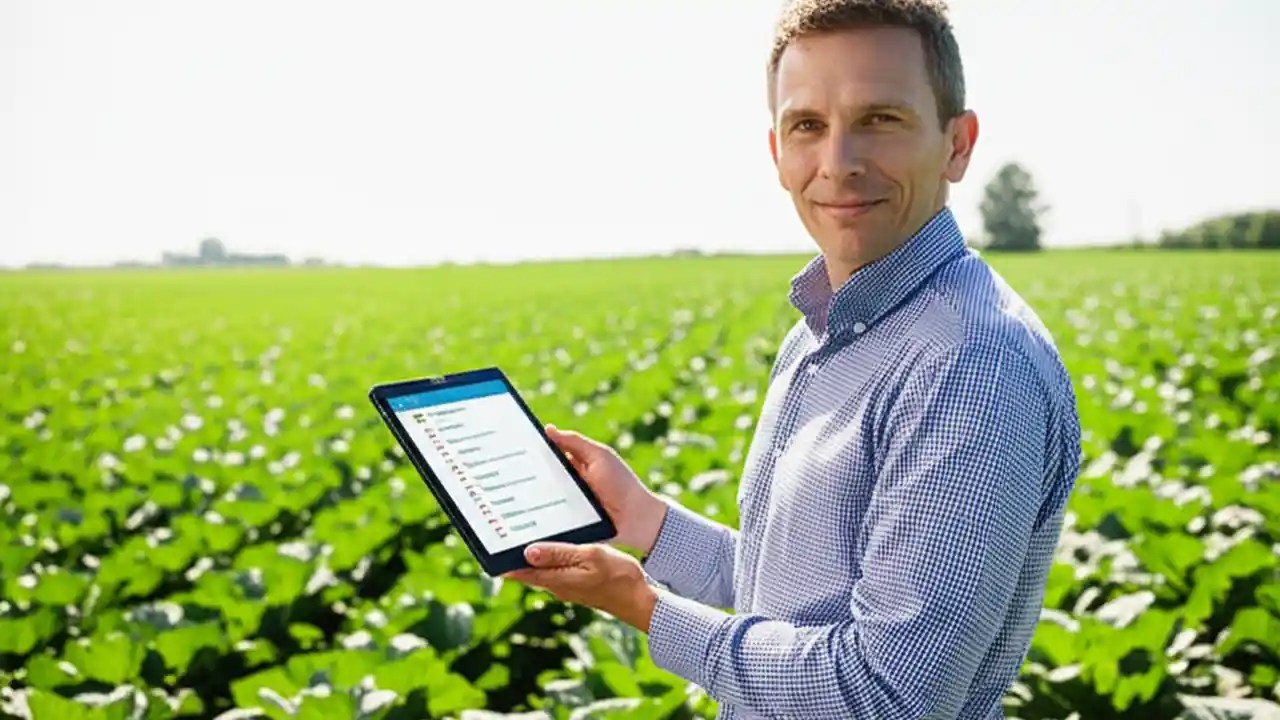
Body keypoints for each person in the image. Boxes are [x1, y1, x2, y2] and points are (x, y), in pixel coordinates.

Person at [502, 0, 1082, 717]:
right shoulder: (821, 331)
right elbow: (788, 599)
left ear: (957, 144)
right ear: (777, 152)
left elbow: (891, 695)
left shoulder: (970, 363)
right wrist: (649, 523)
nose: (838, 164)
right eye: (808, 126)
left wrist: (643, 607)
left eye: (880, 119)